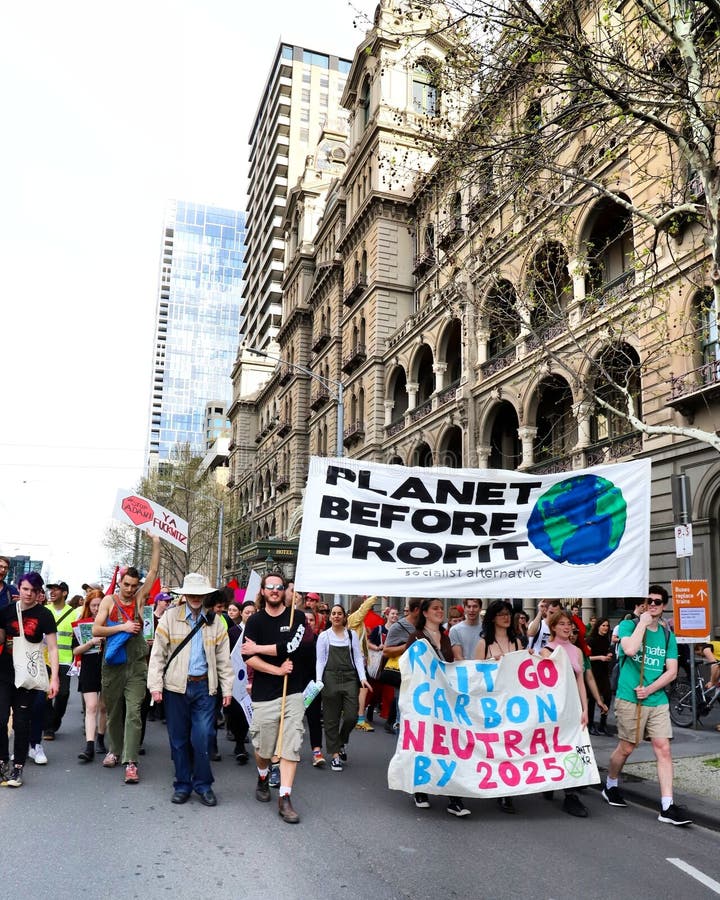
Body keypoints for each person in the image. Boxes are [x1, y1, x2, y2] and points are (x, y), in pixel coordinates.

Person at [602, 585, 692, 826]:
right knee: (627, 747)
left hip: (656, 698)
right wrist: (642, 622)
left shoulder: (666, 635)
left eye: (658, 602)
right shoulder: (629, 626)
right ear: (643, 603)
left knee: (663, 748)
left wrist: (651, 689)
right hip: (629, 698)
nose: (653, 605)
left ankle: (667, 806)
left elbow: (672, 671)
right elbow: (630, 650)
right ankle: (610, 784)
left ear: (664, 605)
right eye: (649, 600)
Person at [148, 573, 233, 806]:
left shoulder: (215, 621)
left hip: (205, 687)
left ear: (205, 595)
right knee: (178, 740)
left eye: (200, 593)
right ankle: (183, 784)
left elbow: (224, 659)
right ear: (184, 594)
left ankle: (203, 785)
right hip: (175, 688)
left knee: (203, 737)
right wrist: (155, 687)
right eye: (192, 593)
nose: (195, 597)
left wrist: (227, 690)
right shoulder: (169, 618)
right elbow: (157, 655)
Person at [93, 534, 161, 784]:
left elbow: (153, 570)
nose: (131, 589)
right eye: (127, 584)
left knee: (133, 712)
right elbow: (97, 630)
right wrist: (121, 628)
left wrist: (155, 541)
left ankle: (131, 762)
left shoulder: (140, 599)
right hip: (112, 665)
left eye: (135, 585)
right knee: (114, 712)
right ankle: (115, 749)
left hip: (136, 665)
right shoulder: (109, 601)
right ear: (120, 582)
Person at [242, 574, 307, 824]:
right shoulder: (255, 621)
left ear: (284, 591)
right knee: (263, 748)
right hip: (265, 693)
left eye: (279, 587)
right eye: (270, 587)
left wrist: (258, 648)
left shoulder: (297, 617)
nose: (275, 590)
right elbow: (248, 658)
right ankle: (262, 774)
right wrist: (276, 670)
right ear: (262, 590)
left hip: (293, 691)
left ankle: (285, 796)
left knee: (291, 744)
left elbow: (291, 646)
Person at [406, 597, 470, 817]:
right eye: (435, 608)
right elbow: (411, 668)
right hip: (424, 701)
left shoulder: (445, 637)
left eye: (440, 609)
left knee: (449, 745)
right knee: (425, 744)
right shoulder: (416, 637)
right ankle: (421, 789)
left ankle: (454, 798)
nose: (439, 612)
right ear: (424, 612)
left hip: (445, 702)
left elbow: (453, 665)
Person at [0, 572, 60, 787]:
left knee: (21, 721)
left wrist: (54, 679)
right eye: (25, 589)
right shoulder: (6, 612)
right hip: (5, 672)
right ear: (19, 588)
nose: (29, 594)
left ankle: (17, 768)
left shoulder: (44, 615)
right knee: (0, 718)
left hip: (29, 673)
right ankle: (2, 761)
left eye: (34, 590)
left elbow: (52, 648)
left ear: (38, 593)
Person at [475, 599, 524, 814]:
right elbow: (475, 675)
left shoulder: (518, 642)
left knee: (510, 746)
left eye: (508, 613)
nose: (506, 617)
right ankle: (492, 782)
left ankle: (507, 792)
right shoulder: (484, 643)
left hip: (512, 703)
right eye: (501, 614)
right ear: (493, 617)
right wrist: (489, 664)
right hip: (491, 704)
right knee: (495, 747)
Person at [540, 608, 590, 818]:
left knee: (573, 747)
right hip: (555, 708)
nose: (567, 627)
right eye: (561, 624)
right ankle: (550, 781)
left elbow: (581, 680)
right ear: (552, 627)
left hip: (573, 707)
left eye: (569, 624)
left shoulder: (577, 651)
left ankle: (570, 794)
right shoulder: (547, 650)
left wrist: (585, 708)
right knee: (554, 747)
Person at [316, 604, 370, 771]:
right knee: (331, 718)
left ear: (344, 616)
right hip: (330, 677)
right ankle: (335, 756)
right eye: (333, 614)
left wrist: (362, 678)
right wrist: (319, 680)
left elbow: (358, 657)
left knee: (351, 717)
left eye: (339, 613)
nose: (336, 616)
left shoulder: (351, 635)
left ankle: (340, 742)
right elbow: (320, 660)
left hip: (349, 677)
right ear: (330, 617)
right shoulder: (324, 636)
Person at [72, 590, 107, 762]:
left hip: (108, 667)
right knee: (91, 706)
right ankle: (89, 745)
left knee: (104, 707)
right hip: (89, 668)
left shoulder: (110, 623)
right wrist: (90, 642)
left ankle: (101, 738)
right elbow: (75, 650)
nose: (96, 608)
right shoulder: (81, 624)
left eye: (99, 605)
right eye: (93, 605)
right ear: (88, 606)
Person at [43, 579, 75, 741]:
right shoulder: (44, 610)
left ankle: (55, 722)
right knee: (46, 694)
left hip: (65, 661)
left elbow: (77, 638)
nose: (52, 592)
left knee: (63, 694)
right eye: (51, 589)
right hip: (45, 660)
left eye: (56, 589)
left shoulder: (74, 613)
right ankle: (48, 728)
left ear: (65, 593)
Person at [587, 617, 613, 735]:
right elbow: (586, 658)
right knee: (592, 699)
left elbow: (606, 651)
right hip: (593, 672)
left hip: (603, 672)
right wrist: (600, 657)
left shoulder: (606, 640)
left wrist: (608, 654)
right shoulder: (591, 640)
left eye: (607, 626)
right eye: (603, 625)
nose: (605, 628)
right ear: (598, 626)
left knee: (607, 696)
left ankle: (603, 724)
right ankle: (590, 724)